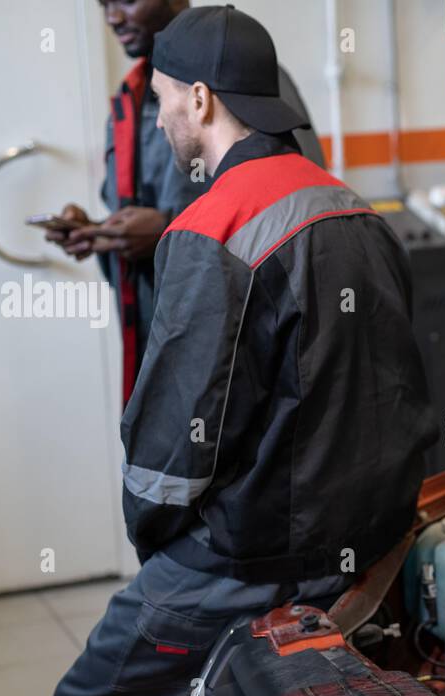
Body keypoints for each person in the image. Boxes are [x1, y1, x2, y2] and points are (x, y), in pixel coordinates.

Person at [17, 5, 436, 696]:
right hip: (369, 549)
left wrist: (165, 556)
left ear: (200, 100)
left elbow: (168, 462)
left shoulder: (211, 226)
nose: (162, 115)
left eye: (166, 99)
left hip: (252, 562)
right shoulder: (354, 208)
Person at [43, 0, 324, 404]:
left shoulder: (246, 79)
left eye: (125, 0)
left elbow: (301, 204)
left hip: (238, 337)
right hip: (160, 327)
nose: (113, 16)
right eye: (104, 4)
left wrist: (166, 228)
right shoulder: (130, 102)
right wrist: (102, 232)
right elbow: (136, 208)